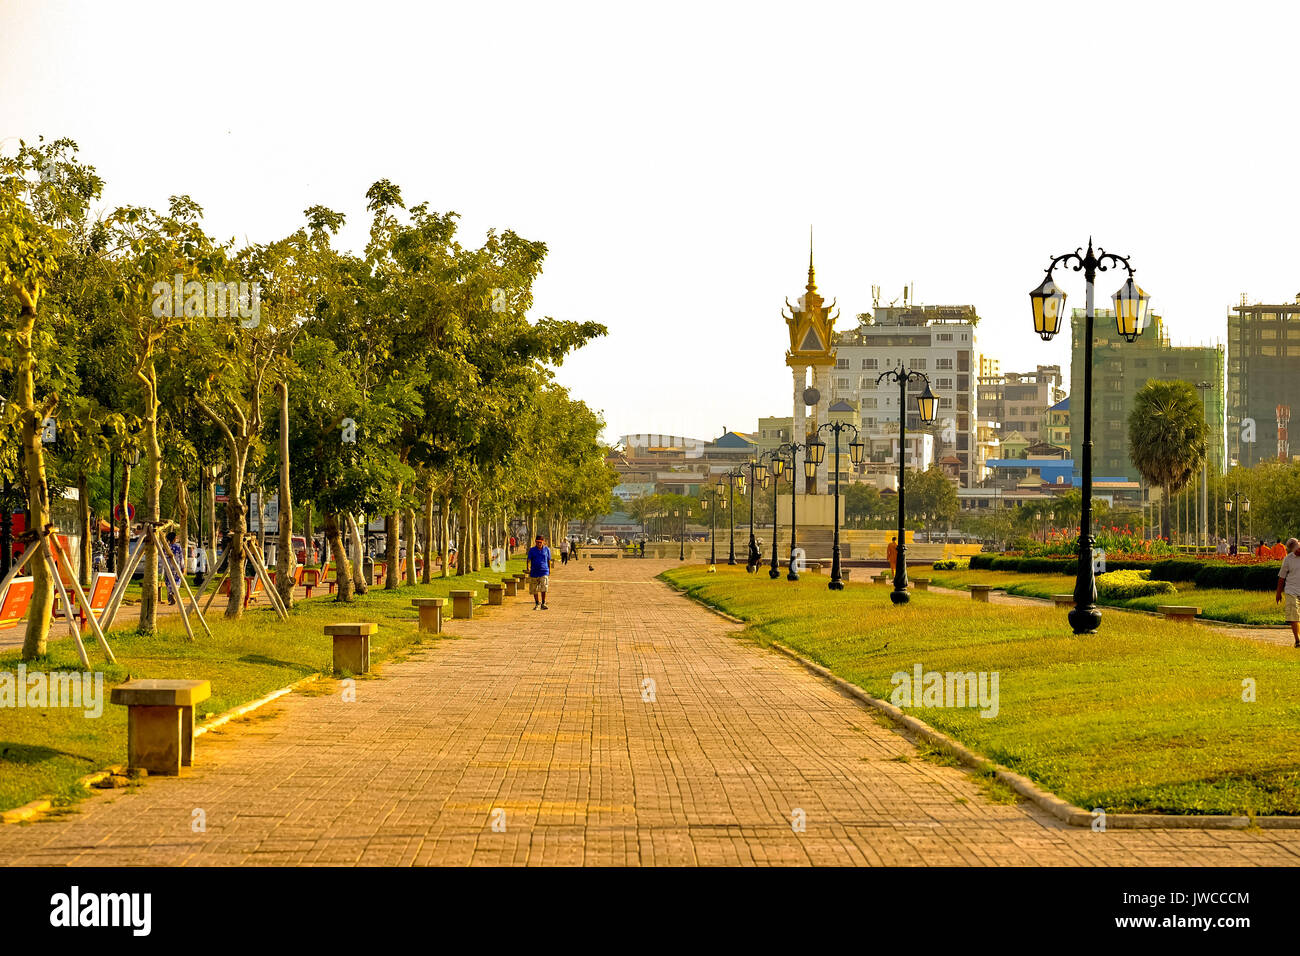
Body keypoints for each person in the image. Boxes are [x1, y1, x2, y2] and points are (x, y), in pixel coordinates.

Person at [1277, 537, 1300, 648]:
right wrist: (1278, 593)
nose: (1298, 551)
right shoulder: (1288, 559)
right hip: (1291, 590)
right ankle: (1297, 640)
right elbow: (1282, 577)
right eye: (1296, 550)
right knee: (1293, 615)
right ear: (1292, 550)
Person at [526, 534, 551, 610]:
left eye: (540, 542)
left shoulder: (547, 550)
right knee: (534, 589)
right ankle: (537, 603)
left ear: (543, 542)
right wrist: (528, 567)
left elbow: (548, 560)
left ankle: (543, 602)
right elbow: (528, 560)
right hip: (534, 572)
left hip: (544, 571)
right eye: (537, 542)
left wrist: (549, 569)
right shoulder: (532, 550)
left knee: (544, 587)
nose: (539, 544)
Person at [165, 531, 183, 605]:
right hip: (176, 566)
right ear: (174, 539)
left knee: (168, 581)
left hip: (168, 566)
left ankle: (170, 595)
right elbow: (181, 557)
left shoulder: (166, 547)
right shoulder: (178, 546)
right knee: (177, 581)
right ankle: (173, 593)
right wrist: (183, 567)